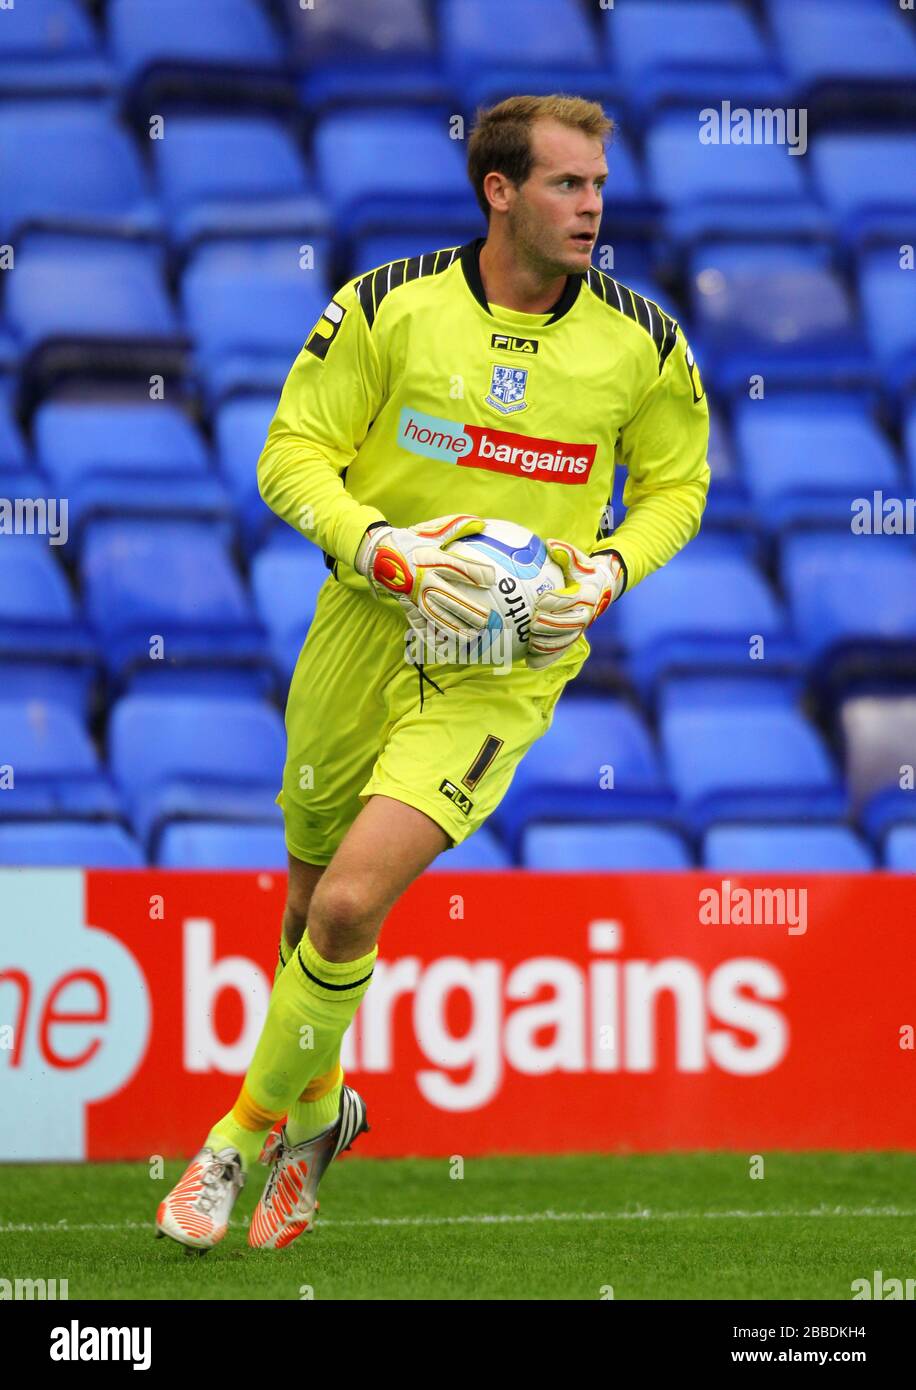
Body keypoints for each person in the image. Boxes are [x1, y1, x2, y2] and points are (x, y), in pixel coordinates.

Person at [155, 93, 710, 1252]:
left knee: (353, 902)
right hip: (366, 623)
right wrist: (378, 544)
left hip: (500, 665)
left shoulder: (642, 343)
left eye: (598, 184)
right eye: (566, 183)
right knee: (310, 905)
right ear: (498, 191)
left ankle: (230, 1141)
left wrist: (605, 572)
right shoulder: (387, 307)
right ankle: (322, 1116)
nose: (592, 205)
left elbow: (675, 488)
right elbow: (291, 452)